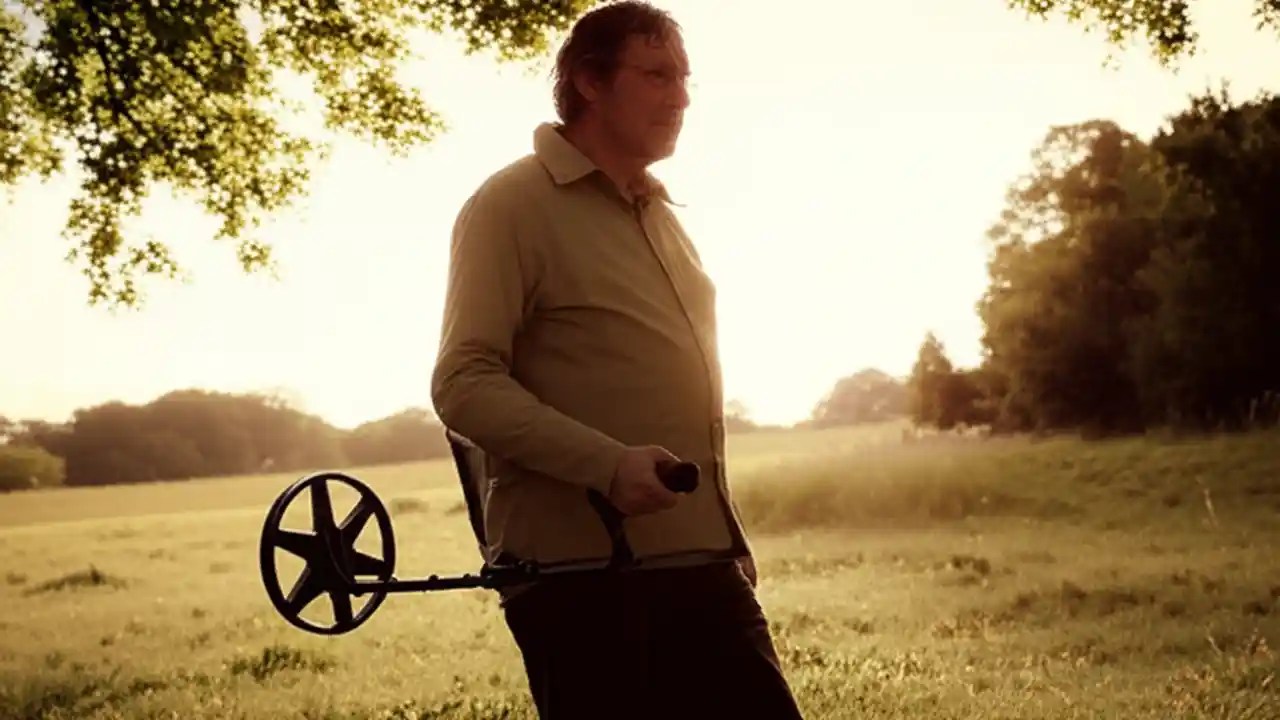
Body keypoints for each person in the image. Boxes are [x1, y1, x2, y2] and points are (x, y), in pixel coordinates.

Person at [430, 3, 804, 719]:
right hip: (580, 580)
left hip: (700, 566)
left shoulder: (659, 213)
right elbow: (462, 383)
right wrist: (607, 465)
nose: (682, 98)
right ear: (589, 83)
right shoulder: (509, 206)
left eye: (685, 78)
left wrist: (724, 535)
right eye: (657, 75)